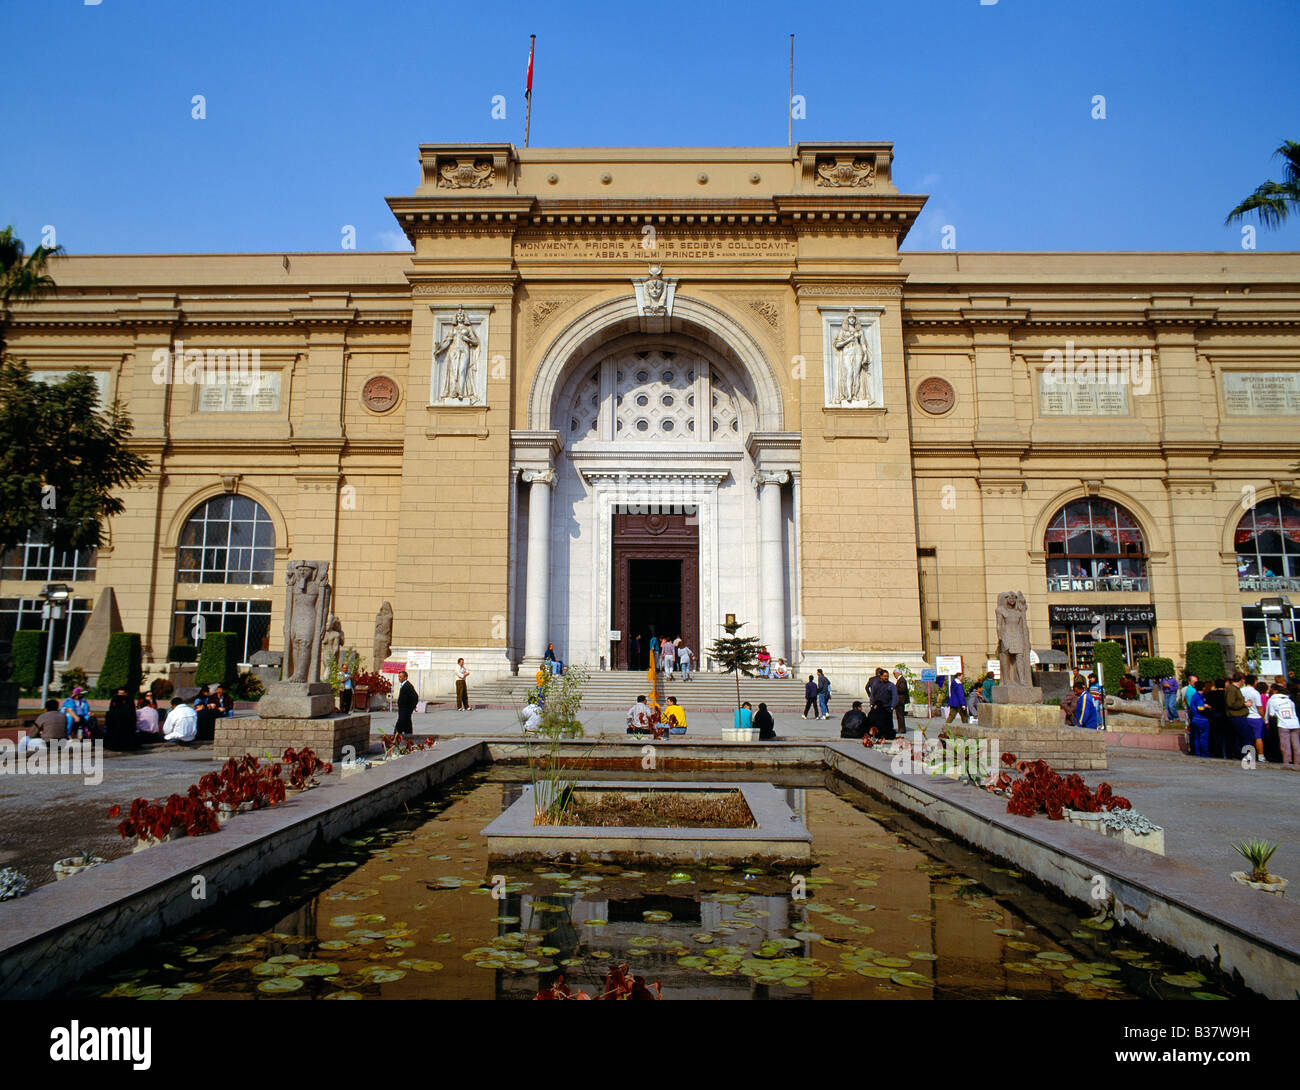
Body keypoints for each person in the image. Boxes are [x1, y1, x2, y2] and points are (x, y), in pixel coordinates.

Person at [1268, 683, 1300, 767]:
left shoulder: (1272, 700)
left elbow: (1271, 714)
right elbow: (1294, 713)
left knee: (1285, 745)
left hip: (1283, 724)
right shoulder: (1290, 701)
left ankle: (1286, 763)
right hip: (1295, 723)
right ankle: (1297, 763)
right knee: (1296, 745)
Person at [1241, 672, 1266, 762]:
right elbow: (1260, 707)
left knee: (1247, 737)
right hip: (1255, 717)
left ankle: (1248, 755)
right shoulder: (1255, 693)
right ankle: (1261, 756)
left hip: (1245, 716)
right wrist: (1263, 717)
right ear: (1255, 682)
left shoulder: (1241, 690)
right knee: (1258, 737)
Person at [1205, 677, 1229, 759]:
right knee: (1224, 736)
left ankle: (1216, 751)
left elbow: (1207, 704)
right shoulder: (1226, 694)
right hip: (1225, 716)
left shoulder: (1211, 694)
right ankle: (1224, 752)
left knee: (1215, 735)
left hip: (1214, 715)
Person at [1186, 681, 1211, 757]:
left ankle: (1197, 752)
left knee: (1196, 737)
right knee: (1203, 737)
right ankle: (1204, 753)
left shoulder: (1194, 695)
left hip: (1195, 718)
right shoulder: (1200, 696)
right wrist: (1207, 706)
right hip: (1201, 719)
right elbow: (1200, 707)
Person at [396, 670, 418, 735]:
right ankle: (408, 735)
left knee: (400, 723)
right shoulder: (404, 685)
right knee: (407, 723)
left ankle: (396, 736)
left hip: (405, 709)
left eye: (401, 677)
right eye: (399, 677)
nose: (399, 678)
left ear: (405, 677)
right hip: (403, 708)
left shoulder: (408, 686)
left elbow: (415, 697)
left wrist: (412, 707)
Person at [892, 669, 910, 738]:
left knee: (900, 715)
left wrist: (895, 687)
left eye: (894, 674)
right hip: (899, 700)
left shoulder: (902, 680)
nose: (894, 676)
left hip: (901, 700)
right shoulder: (900, 680)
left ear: (897, 673)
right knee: (899, 715)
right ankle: (900, 728)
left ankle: (902, 729)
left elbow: (902, 689)